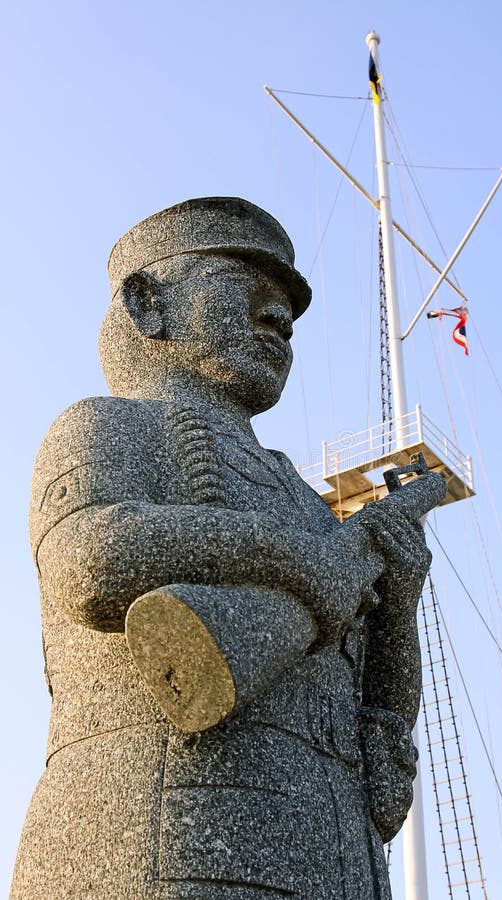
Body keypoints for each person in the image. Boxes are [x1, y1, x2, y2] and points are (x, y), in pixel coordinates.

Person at [12, 198, 444, 899]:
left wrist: (395, 604)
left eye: (288, 310)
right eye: (243, 286)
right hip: (167, 835)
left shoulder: (311, 506)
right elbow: (90, 561)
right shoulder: (105, 427)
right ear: (148, 304)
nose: (279, 320)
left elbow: (384, 784)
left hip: (339, 862)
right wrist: (299, 559)